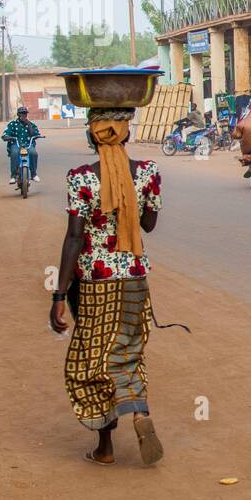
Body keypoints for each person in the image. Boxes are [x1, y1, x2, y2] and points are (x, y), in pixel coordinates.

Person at [50, 108, 164, 466]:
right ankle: (140, 411)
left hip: (95, 283)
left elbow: (74, 238)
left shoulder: (81, 178)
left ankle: (106, 447)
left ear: (92, 137)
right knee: (128, 351)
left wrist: (57, 295)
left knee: (92, 360)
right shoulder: (147, 172)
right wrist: (134, 199)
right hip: (134, 278)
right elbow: (148, 224)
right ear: (126, 135)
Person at [2, 106, 41, 183]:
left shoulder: (31, 124)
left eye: (25, 113)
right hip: (16, 144)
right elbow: (5, 134)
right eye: (22, 113)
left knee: (33, 153)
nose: (24, 115)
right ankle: (13, 176)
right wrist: (7, 137)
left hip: (28, 145)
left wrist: (29, 124)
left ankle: (33, 174)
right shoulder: (12, 124)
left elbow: (35, 134)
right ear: (18, 114)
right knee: (14, 153)